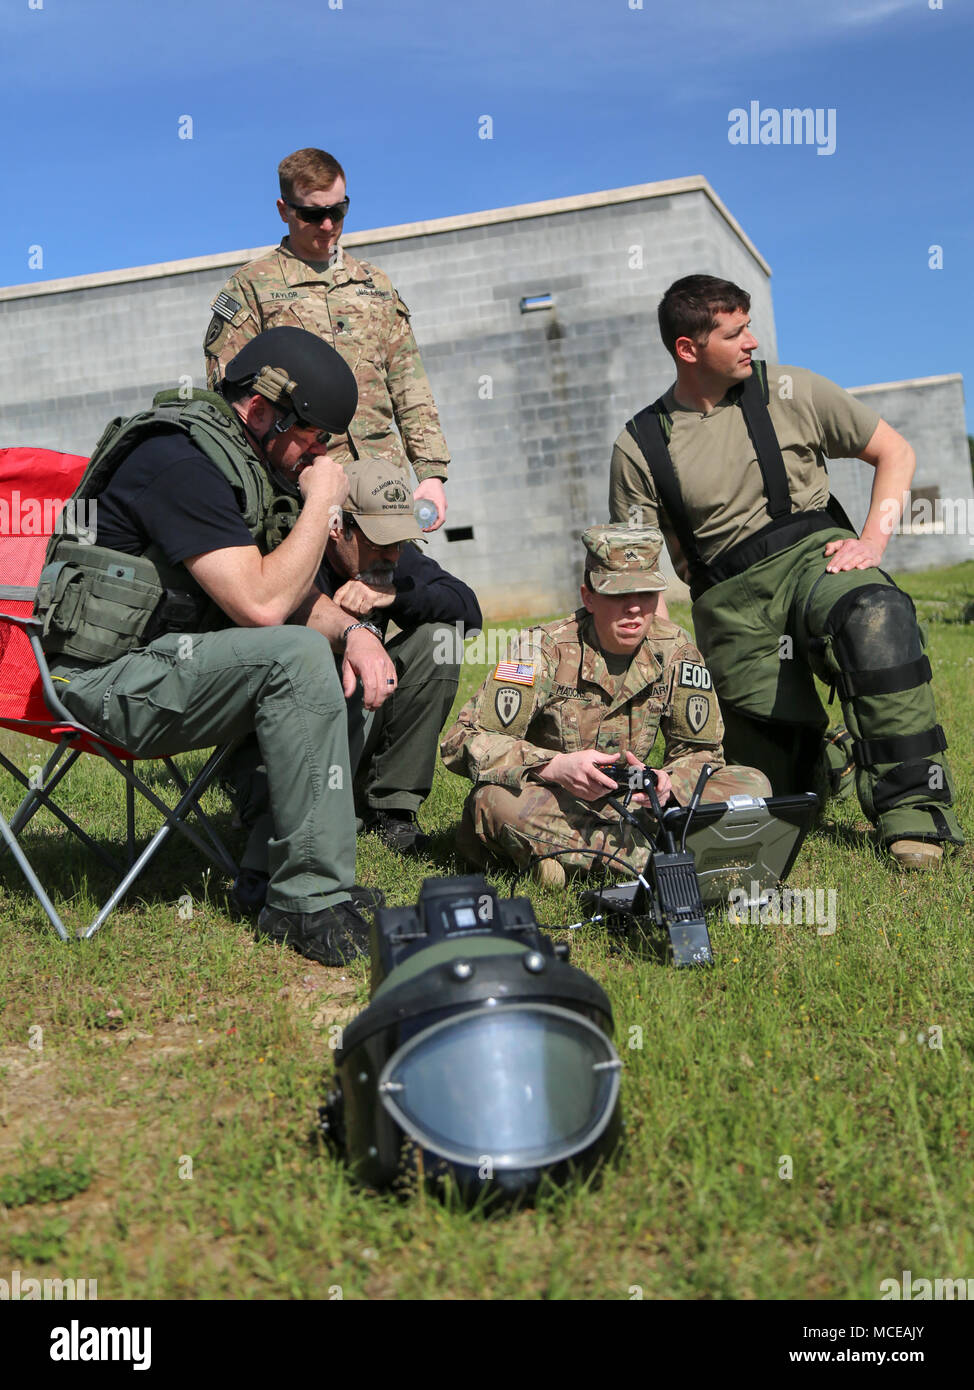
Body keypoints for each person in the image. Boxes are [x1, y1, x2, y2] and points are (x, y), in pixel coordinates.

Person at [35, 327, 392, 966]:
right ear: (262, 409)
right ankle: (308, 900)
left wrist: (359, 633)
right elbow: (262, 605)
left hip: (174, 667)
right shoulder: (178, 460)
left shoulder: (240, 461)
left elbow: (289, 594)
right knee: (296, 656)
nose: (317, 457)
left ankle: (268, 874)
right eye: (311, 439)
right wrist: (321, 505)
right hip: (105, 684)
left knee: (339, 659)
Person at [607, 274, 964, 870]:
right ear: (687, 349)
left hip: (816, 558)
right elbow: (637, 574)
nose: (752, 341)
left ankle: (915, 817)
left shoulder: (791, 390)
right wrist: (672, 659)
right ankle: (830, 758)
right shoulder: (639, 445)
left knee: (877, 617)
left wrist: (873, 540)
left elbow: (895, 451)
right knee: (772, 793)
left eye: (749, 326)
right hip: (728, 602)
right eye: (734, 332)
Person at [440, 526, 771, 886]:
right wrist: (555, 766)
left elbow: (702, 753)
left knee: (752, 783)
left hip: (633, 804)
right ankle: (658, 857)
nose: (634, 608)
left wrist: (668, 783)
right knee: (494, 800)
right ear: (589, 596)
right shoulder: (543, 649)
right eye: (619, 594)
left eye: (645, 593)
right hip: (556, 802)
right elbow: (462, 740)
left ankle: (562, 858)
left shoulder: (675, 648)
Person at [203, 146, 450, 532]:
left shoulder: (375, 285)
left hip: (385, 487)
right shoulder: (251, 287)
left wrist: (431, 473)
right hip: (302, 494)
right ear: (284, 211)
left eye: (338, 211)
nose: (327, 225)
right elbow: (231, 403)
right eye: (313, 214)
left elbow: (409, 384)